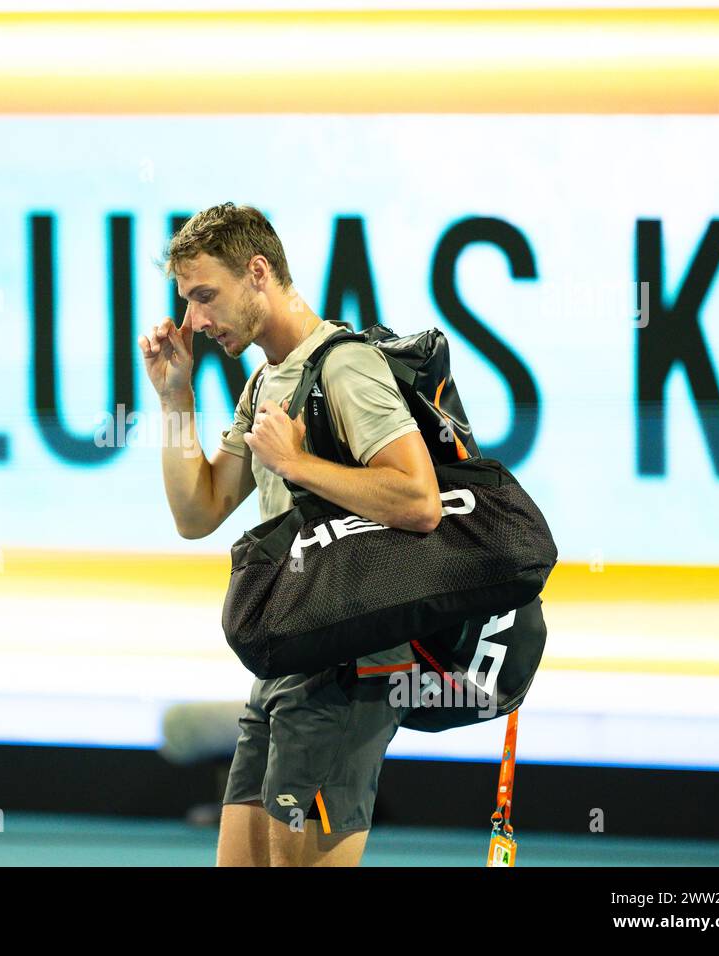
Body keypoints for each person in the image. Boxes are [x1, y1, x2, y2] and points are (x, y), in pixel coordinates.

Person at [139, 202, 443, 867]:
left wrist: (298, 464)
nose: (194, 320)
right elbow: (198, 513)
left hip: (346, 669)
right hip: (286, 663)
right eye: (187, 301)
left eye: (204, 296)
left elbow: (420, 501)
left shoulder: (345, 367)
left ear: (257, 273)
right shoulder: (262, 384)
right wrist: (175, 400)